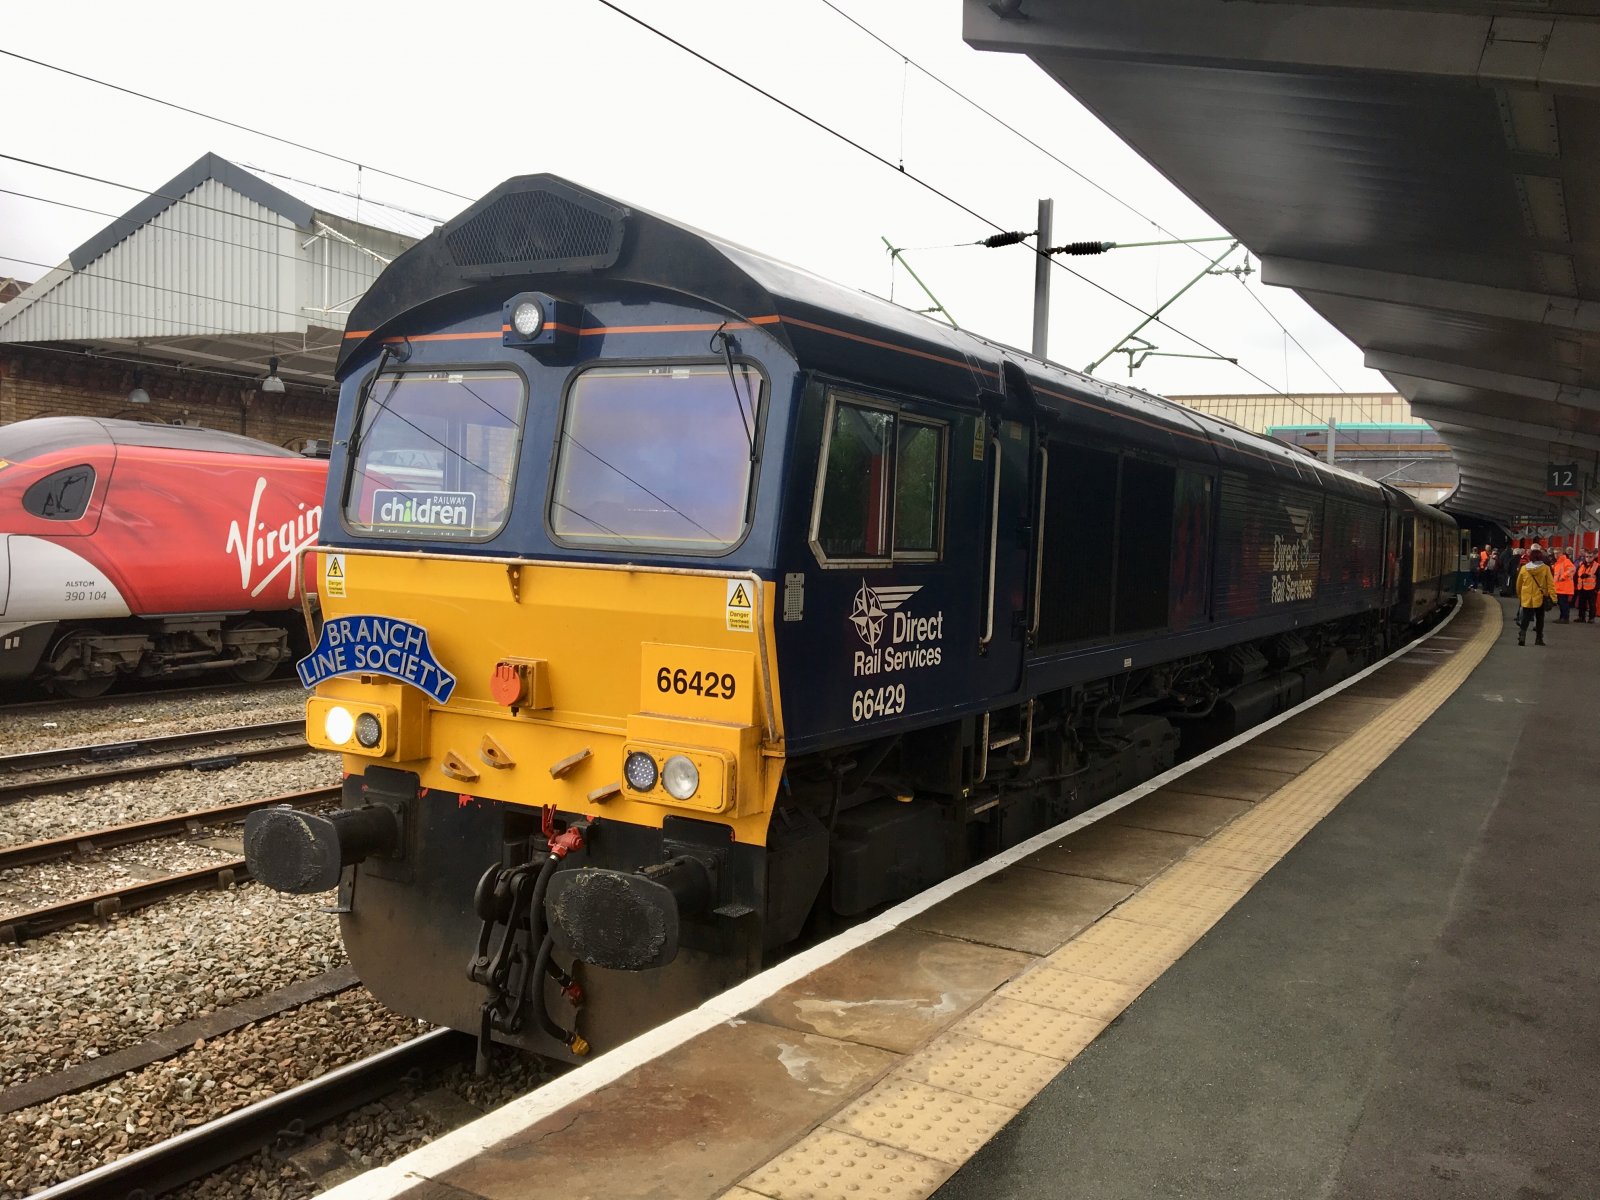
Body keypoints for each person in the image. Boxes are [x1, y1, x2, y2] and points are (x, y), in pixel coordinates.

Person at [1517, 547, 1558, 646]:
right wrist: (1553, 597)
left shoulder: (1524, 568)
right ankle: (1538, 639)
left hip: (1527, 597)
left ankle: (1522, 636)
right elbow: (1550, 584)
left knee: (1525, 618)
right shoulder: (1545, 569)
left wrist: (1520, 596)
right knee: (1539, 618)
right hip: (1540, 597)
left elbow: (1519, 584)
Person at [1552, 547, 1577, 622]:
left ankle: (1565, 618)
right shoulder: (1558, 562)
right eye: (1555, 553)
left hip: (1564, 587)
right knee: (1561, 604)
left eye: (1557, 553)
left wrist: (1563, 577)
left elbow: (1572, 569)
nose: (1556, 555)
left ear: (1561, 553)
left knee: (1564, 604)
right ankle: (1562, 617)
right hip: (1559, 587)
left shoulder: (1566, 561)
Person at [1578, 549, 1598, 624]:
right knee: (1581, 603)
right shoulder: (1582, 564)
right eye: (1586, 557)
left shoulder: (1597, 566)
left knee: (1592, 604)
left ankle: (1591, 618)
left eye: (1590, 557)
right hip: (1582, 587)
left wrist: (1597, 588)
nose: (1588, 558)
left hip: (1592, 588)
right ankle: (1581, 617)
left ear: (1593, 557)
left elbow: (1599, 578)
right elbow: (1578, 574)